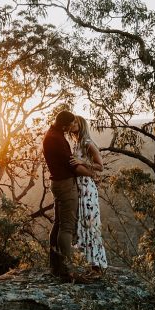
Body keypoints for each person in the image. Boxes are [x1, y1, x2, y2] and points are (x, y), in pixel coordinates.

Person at [41, 110, 95, 283]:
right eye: (71, 123)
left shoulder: (52, 134)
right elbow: (73, 166)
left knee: (58, 224)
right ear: (64, 125)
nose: (73, 126)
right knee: (67, 227)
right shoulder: (56, 139)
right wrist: (92, 173)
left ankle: (56, 266)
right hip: (65, 185)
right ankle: (68, 272)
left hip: (57, 182)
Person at [71, 115, 108, 274]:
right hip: (79, 187)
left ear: (81, 125)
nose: (72, 125)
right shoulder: (76, 143)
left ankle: (96, 266)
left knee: (89, 225)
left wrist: (82, 162)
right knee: (81, 225)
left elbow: (100, 167)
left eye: (74, 122)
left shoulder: (87, 143)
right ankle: (88, 264)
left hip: (87, 188)